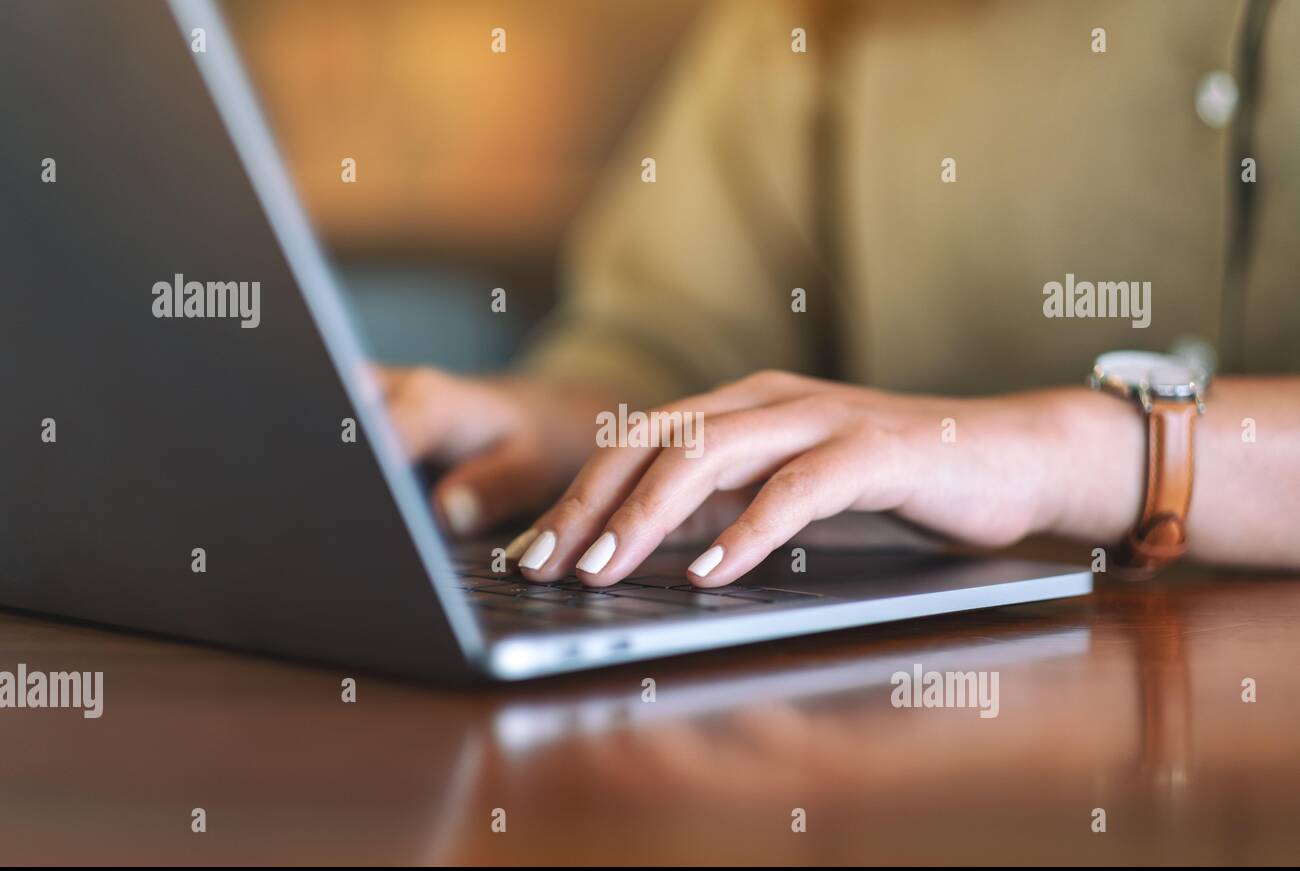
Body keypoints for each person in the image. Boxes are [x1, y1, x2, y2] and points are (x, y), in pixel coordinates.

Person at [377, 0, 1300, 586]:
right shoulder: (798, 22)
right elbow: (675, 335)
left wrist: (1068, 453)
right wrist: (568, 428)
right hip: (902, 720)